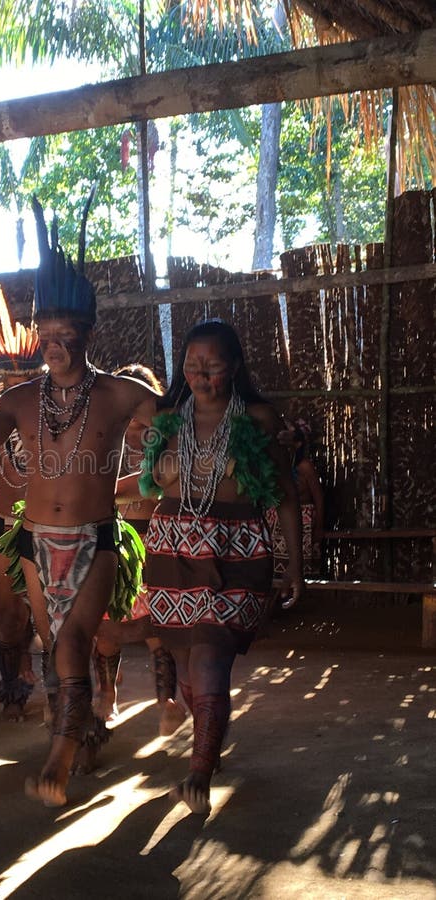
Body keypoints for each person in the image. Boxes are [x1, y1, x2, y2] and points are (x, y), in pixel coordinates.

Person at [0, 192, 160, 806]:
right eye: (46, 331)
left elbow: (173, 421)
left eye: (65, 331)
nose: (53, 341)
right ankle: (78, 729)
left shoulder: (120, 393)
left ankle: (60, 753)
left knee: (75, 645)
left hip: (96, 540)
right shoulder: (20, 400)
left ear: (87, 332)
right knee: (54, 652)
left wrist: (165, 432)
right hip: (32, 543)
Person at [140, 319, 303, 815]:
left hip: (237, 554)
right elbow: (149, 485)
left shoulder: (256, 420)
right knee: (190, 669)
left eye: (211, 364)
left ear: (232, 366)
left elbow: (286, 498)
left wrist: (294, 567)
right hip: (171, 554)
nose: (200, 373)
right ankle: (210, 736)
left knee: (211, 658)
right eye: (192, 363)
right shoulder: (166, 417)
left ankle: (198, 772)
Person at [96, 363, 187, 737]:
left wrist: (119, 488)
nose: (136, 426)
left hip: (155, 539)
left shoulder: (168, 440)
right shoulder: (104, 438)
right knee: (106, 625)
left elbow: (161, 482)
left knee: (157, 628)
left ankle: (166, 701)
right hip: (113, 539)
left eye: (141, 417)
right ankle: (108, 694)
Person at [0, 285, 46, 720]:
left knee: (50, 618)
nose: (17, 385)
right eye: (9, 380)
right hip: (3, 529)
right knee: (8, 615)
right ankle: (12, 690)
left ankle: (62, 695)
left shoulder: (57, 416)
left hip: (49, 526)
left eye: (25, 378)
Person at [267, 421, 325, 578]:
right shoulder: (276, 466)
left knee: (302, 573)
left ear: (298, 443)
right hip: (276, 526)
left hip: (304, 526)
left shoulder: (305, 467)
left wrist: (319, 528)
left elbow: (318, 498)